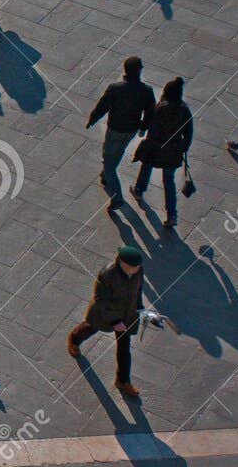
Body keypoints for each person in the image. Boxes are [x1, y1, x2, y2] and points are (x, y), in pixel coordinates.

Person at [68, 246, 145, 399]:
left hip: (126, 315)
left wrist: (140, 308)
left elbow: (138, 290)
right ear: (122, 263)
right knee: (89, 328)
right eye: (133, 267)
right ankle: (74, 339)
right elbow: (100, 300)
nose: (136, 270)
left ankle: (122, 381)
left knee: (124, 349)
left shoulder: (138, 271)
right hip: (104, 314)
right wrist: (115, 320)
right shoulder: (107, 274)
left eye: (137, 267)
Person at [87, 55, 155, 215]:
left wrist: (92, 119)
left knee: (109, 159)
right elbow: (150, 112)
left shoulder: (115, 88)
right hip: (131, 130)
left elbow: (103, 106)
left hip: (115, 129)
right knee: (117, 151)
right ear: (139, 71)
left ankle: (117, 198)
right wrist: (143, 127)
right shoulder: (146, 91)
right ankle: (106, 174)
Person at [133, 77, 192, 230]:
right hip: (172, 151)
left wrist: (144, 133)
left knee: (146, 166)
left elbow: (149, 123)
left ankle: (139, 190)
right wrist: (183, 148)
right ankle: (172, 215)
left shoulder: (160, 107)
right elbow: (188, 134)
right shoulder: (185, 111)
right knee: (169, 181)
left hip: (155, 147)